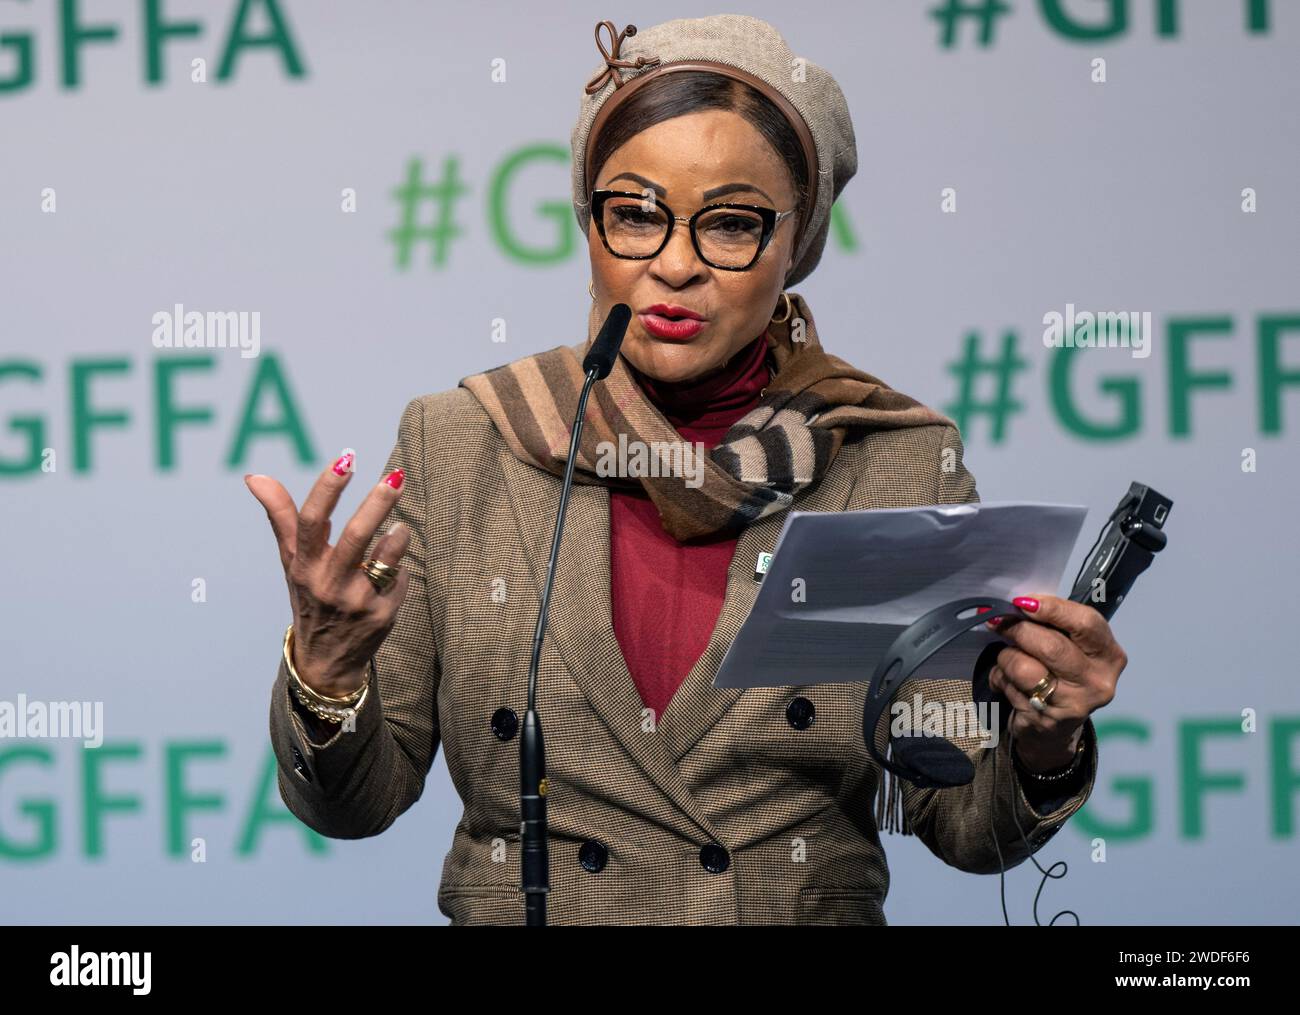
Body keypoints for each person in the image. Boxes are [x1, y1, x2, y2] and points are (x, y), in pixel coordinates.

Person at [244, 15, 1126, 925]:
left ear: (798, 243)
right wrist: (328, 668)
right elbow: (351, 806)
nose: (674, 263)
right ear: (589, 221)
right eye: (634, 215)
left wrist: (1045, 735)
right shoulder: (464, 443)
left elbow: (966, 824)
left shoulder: (892, 461)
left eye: (733, 225)